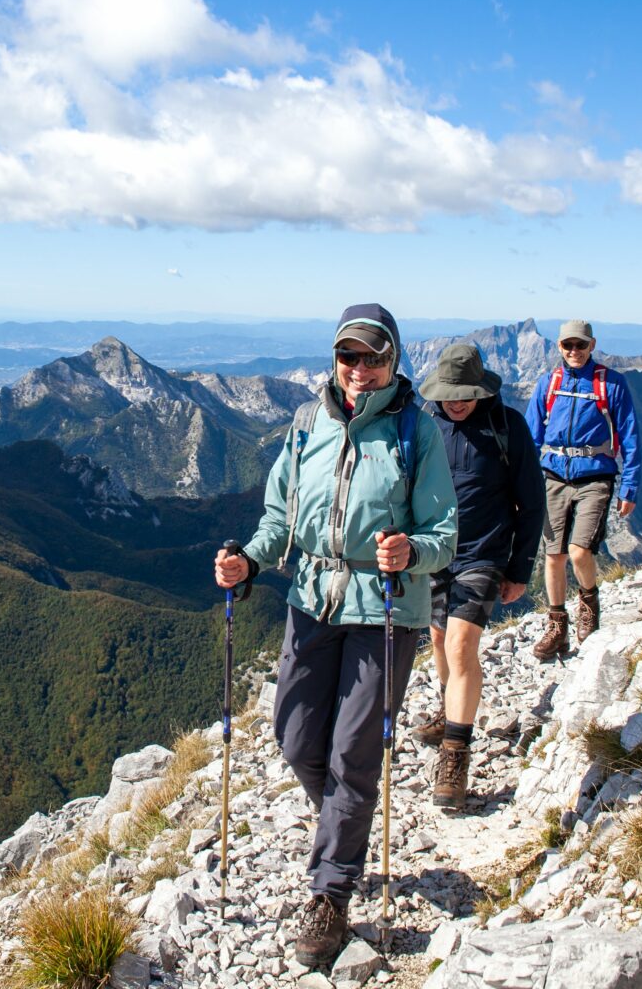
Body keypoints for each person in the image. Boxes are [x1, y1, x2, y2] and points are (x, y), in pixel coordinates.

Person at [214, 303, 457, 970]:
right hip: (312, 602)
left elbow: (444, 534)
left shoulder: (416, 433)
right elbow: (277, 518)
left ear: (394, 359)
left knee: (352, 754)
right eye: (347, 357)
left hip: (386, 609)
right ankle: (346, 823)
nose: (357, 370)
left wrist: (411, 552)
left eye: (372, 357)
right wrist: (249, 563)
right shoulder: (308, 424)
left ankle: (331, 892)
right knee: (294, 737)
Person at [410, 343, 545, 809]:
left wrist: (520, 568)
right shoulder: (425, 425)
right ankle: (450, 710)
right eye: (449, 393)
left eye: (464, 393)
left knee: (460, 643)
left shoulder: (508, 427)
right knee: (437, 637)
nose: (457, 402)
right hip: (432, 552)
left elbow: (532, 502)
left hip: (483, 554)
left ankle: (455, 755)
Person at [522, 319, 642, 660]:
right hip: (553, 476)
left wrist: (629, 486)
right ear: (559, 347)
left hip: (595, 476)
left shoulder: (612, 384)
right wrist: (524, 484)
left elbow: (630, 437)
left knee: (579, 551)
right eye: (567, 345)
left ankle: (589, 605)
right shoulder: (549, 383)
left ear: (592, 345)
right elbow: (531, 437)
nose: (574, 352)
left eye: (580, 345)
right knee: (554, 555)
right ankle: (557, 626)